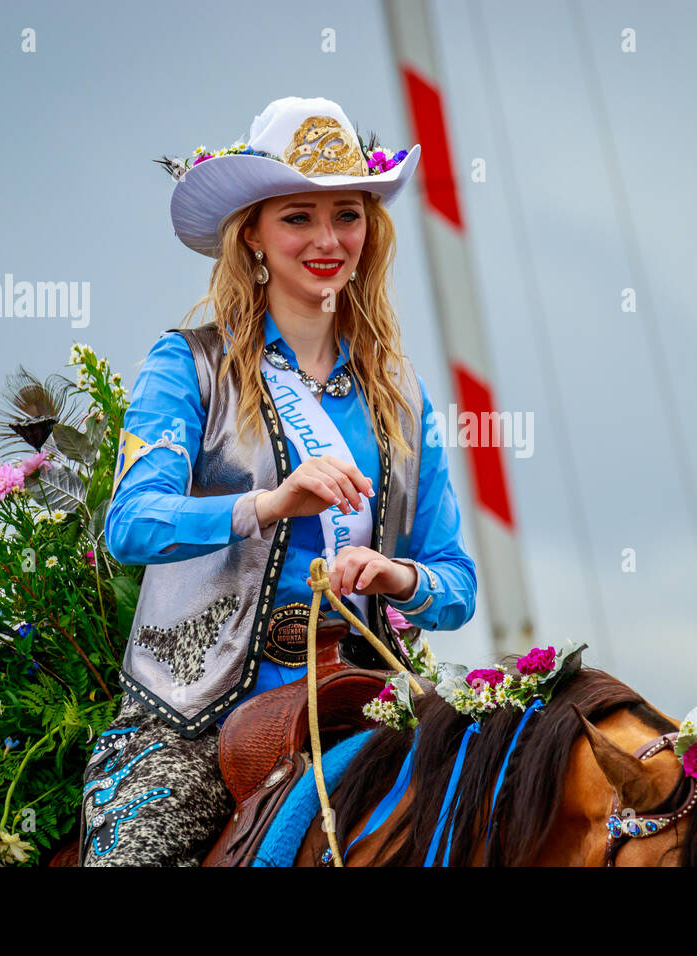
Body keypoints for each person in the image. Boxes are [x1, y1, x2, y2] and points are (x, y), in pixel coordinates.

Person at [79, 96, 478, 866]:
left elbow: (455, 582)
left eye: (348, 215)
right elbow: (131, 525)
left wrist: (394, 574)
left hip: (363, 708)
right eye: (298, 217)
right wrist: (266, 505)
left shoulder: (402, 397)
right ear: (253, 234)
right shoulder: (186, 366)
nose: (328, 240)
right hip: (193, 719)